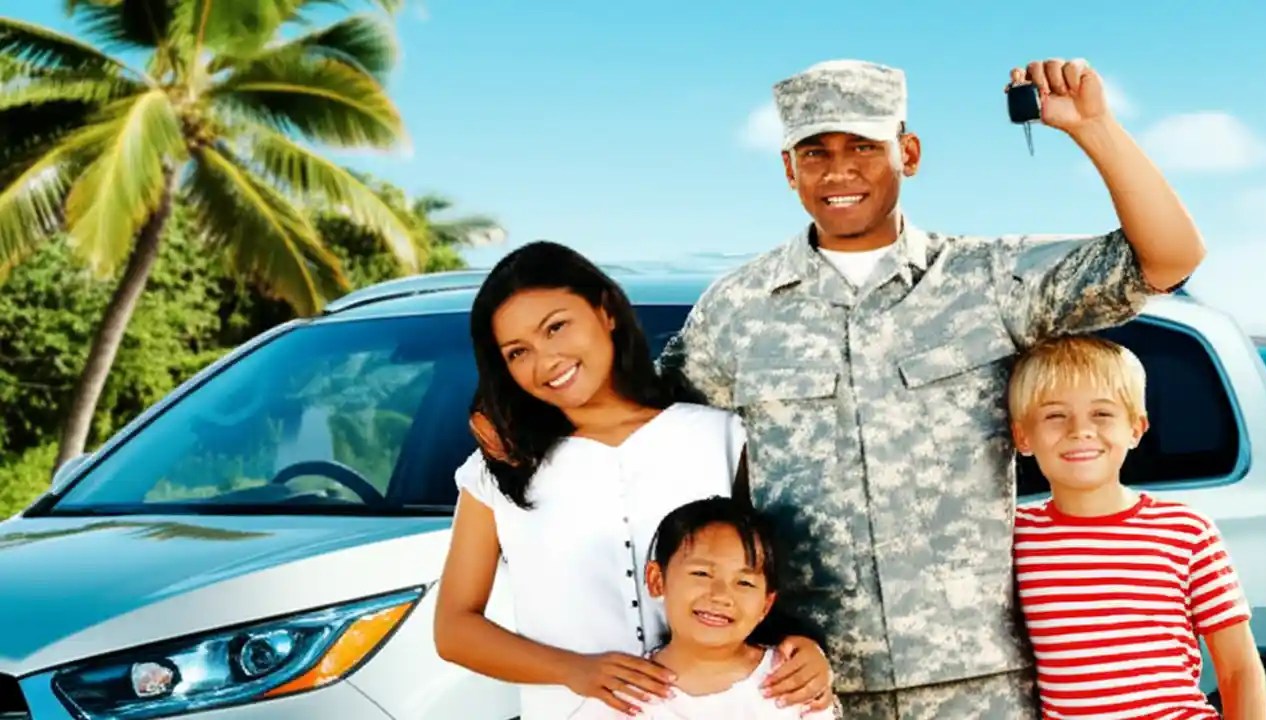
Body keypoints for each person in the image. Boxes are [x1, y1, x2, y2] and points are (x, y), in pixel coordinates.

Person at [651, 57, 1209, 718]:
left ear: (908, 153)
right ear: (788, 168)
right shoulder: (738, 309)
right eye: (815, 151)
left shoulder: (989, 281)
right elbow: (643, 429)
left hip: (978, 684)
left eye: (863, 146)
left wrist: (1094, 128)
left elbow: (1167, 259)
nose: (839, 170)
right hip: (809, 685)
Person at [434, 241, 833, 720]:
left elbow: (766, 583)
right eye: (518, 352)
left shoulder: (721, 436)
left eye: (557, 327)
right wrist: (575, 670)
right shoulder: (498, 469)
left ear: (606, 312)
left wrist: (804, 646)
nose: (546, 360)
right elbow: (454, 629)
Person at [1010, 336, 1266, 719]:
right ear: (1023, 436)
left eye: (1102, 413)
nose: (1080, 430)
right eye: (1054, 415)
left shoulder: (1186, 531)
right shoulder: (1013, 539)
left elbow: (1239, 668)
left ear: (1135, 427)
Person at [570, 496, 840, 719]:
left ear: (765, 605)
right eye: (701, 574)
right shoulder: (625, 695)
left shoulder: (791, 681)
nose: (721, 595)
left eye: (744, 582)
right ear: (656, 580)